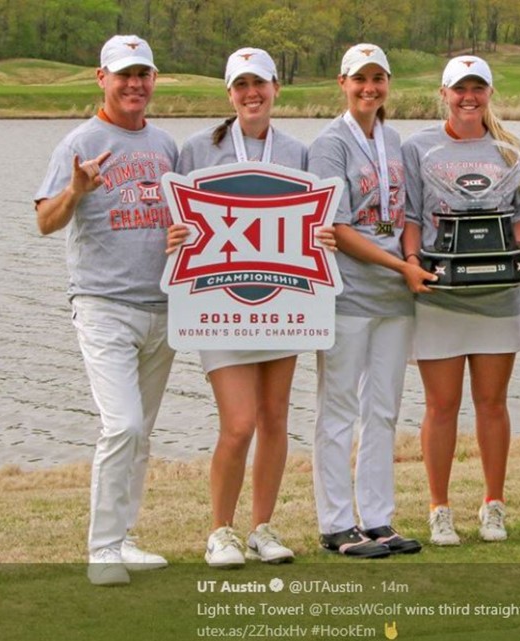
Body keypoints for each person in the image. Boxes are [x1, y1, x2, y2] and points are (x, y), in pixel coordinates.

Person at [34, 35, 177, 586]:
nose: (134, 84)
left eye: (143, 74)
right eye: (124, 75)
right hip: (103, 304)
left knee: (142, 433)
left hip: (162, 307)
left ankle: (124, 537)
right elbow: (45, 222)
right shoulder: (80, 140)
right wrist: (76, 189)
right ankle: (101, 551)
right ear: (102, 78)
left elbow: (184, 216)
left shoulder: (166, 143)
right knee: (123, 425)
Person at [166, 47, 312, 569]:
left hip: (283, 299)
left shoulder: (296, 151)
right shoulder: (196, 150)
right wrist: (175, 234)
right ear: (229, 93)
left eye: (261, 83)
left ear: (276, 88)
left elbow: (310, 224)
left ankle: (262, 528)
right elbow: (175, 220)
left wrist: (324, 243)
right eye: (241, 84)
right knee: (240, 422)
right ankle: (220, 531)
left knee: (275, 418)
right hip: (218, 304)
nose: (252, 93)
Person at [307, 44, 435, 558]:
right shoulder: (328, 143)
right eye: (360, 79)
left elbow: (404, 213)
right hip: (348, 292)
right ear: (342, 82)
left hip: (395, 295)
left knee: (383, 409)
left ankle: (378, 519)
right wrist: (399, 266)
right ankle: (336, 524)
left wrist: (409, 258)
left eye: (378, 78)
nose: (369, 88)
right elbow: (334, 226)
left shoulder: (395, 139)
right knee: (337, 408)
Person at [401, 55, 520, 546]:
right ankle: (439, 508)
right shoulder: (417, 147)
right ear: (444, 92)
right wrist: (414, 262)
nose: (468, 97)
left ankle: (493, 504)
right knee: (440, 405)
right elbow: (412, 214)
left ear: (489, 93)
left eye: (478, 88)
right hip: (441, 292)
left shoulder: (511, 150)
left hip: (496, 294)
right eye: (460, 89)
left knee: (492, 403)